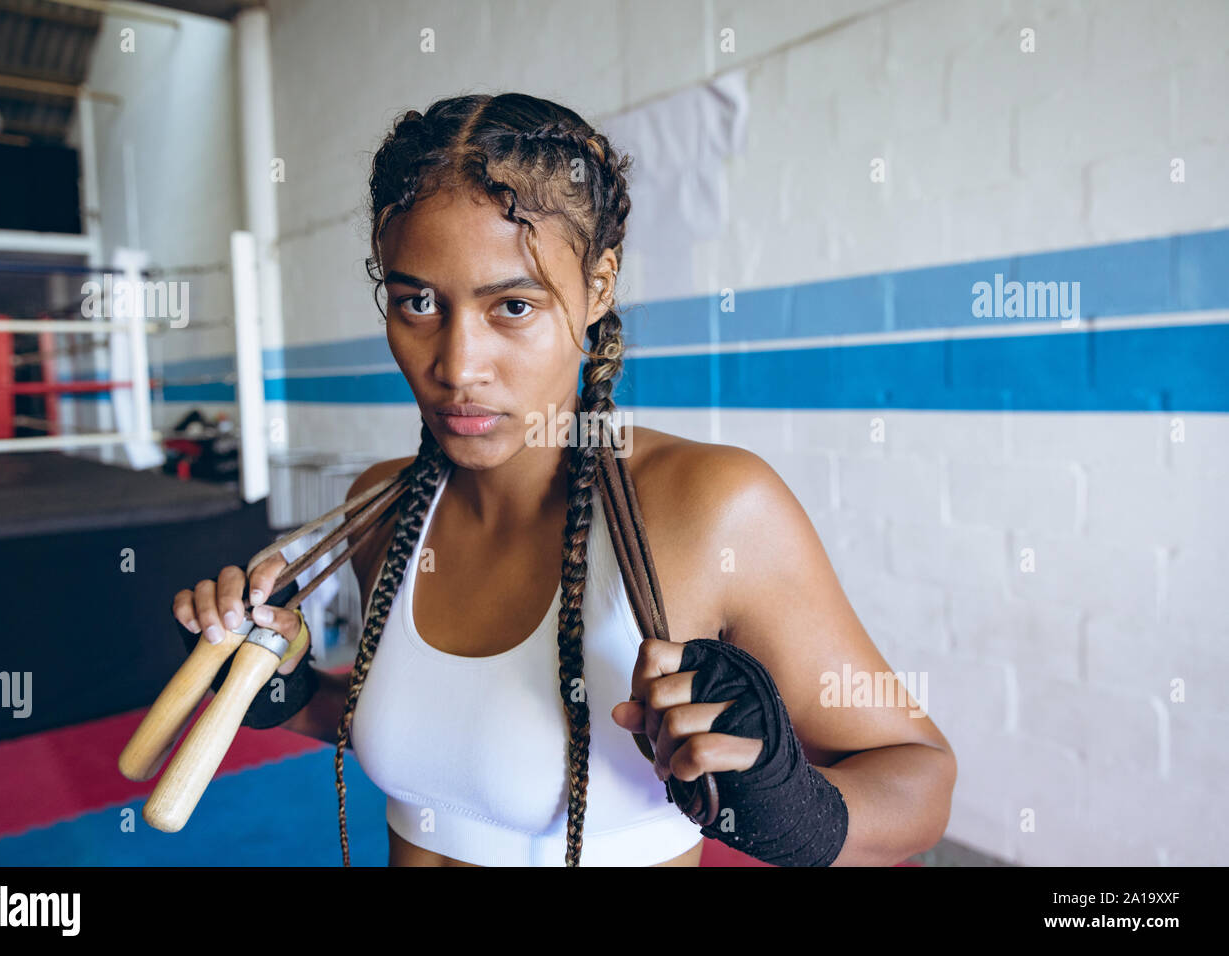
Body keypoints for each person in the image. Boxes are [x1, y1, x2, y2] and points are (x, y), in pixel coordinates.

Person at [172, 92, 957, 867]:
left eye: (512, 305)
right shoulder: (384, 507)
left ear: (600, 285)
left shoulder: (712, 508)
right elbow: (455, 742)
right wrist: (285, 689)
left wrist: (795, 809)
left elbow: (919, 774)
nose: (456, 366)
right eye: (417, 301)